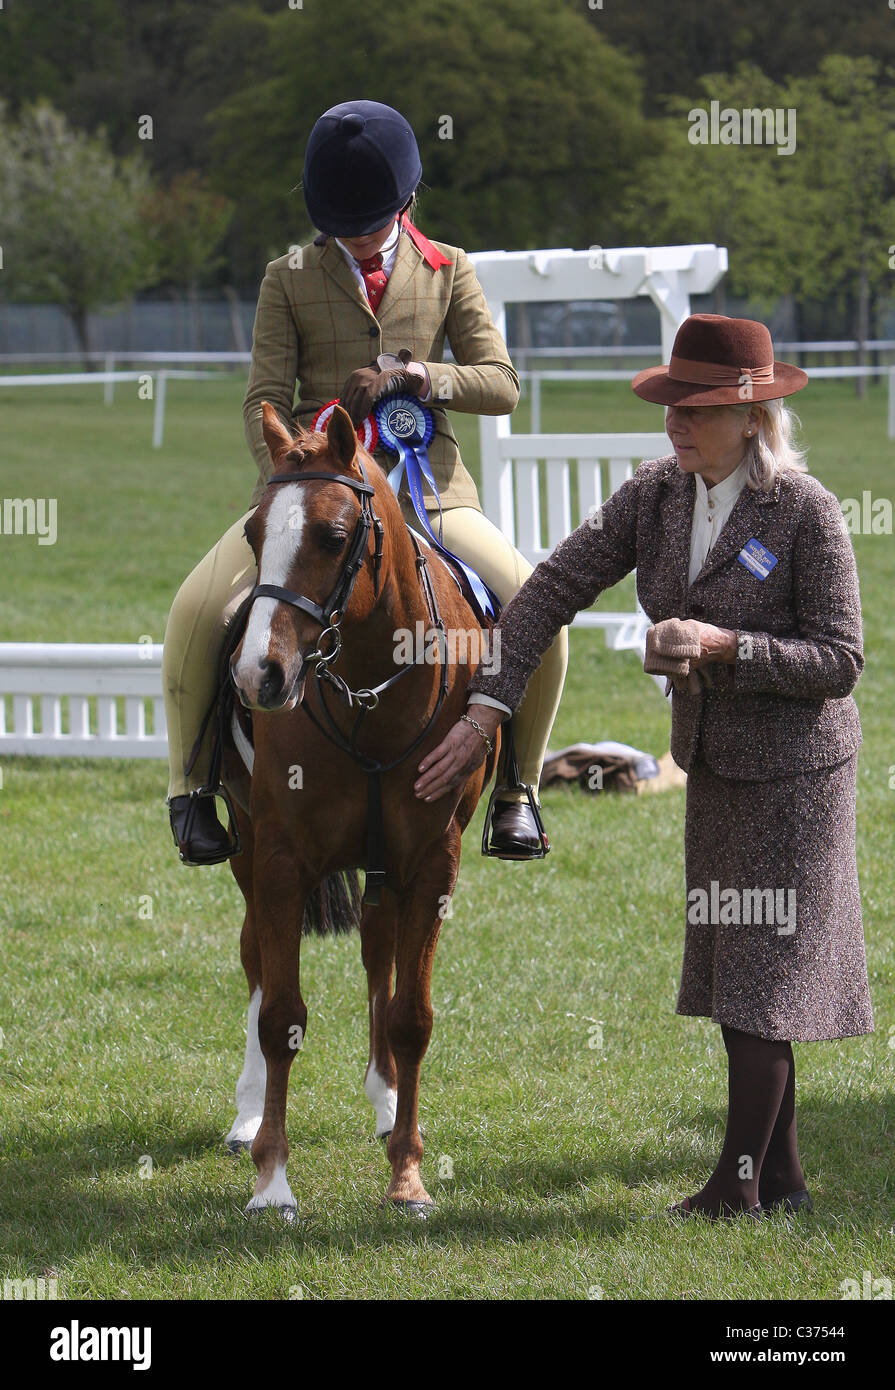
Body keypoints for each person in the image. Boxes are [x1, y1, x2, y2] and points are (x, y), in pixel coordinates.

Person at [416, 313, 874, 1219]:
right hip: (712, 767)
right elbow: (548, 588)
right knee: (736, 970)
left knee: (761, 979)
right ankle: (780, 1180)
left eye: (697, 407)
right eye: (671, 402)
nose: (676, 421)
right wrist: (487, 704)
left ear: (752, 417)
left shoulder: (805, 510)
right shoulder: (655, 494)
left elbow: (840, 661)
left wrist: (720, 645)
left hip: (795, 778)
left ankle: (731, 1188)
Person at [162, 100, 568, 863]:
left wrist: (419, 374)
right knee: (192, 611)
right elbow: (263, 397)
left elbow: (501, 382)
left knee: (532, 606)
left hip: (430, 494)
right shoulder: (287, 277)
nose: (355, 234)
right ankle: (192, 790)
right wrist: (290, 474)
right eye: (341, 221)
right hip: (312, 500)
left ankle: (517, 789)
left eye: (371, 219)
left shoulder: (450, 268)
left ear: (407, 200)